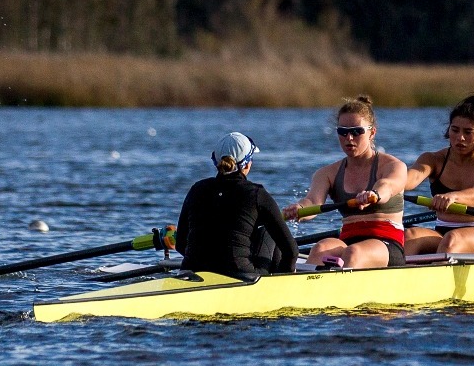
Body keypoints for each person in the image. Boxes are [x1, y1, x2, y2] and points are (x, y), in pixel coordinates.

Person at [288, 96, 411, 269]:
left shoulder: (393, 165)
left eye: (356, 131)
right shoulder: (326, 173)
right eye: (342, 132)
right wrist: (299, 209)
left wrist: (374, 195)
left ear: (372, 132)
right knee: (320, 248)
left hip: (386, 244)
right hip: (347, 242)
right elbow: (312, 202)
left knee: (353, 253)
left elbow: (388, 186)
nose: (349, 138)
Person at [173, 132, 299, 281]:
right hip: (240, 275)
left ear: (216, 162)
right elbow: (291, 251)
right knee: (267, 230)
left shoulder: (197, 189)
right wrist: (284, 279)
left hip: (191, 272)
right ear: (247, 163)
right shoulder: (257, 194)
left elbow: (181, 244)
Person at [404, 95, 474, 256]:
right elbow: (408, 179)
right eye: (455, 130)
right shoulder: (433, 160)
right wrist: (383, 184)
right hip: (443, 231)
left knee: (452, 240)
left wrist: (452, 197)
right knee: (408, 236)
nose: (460, 137)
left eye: (468, 132)